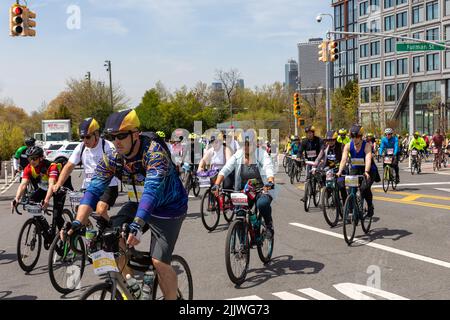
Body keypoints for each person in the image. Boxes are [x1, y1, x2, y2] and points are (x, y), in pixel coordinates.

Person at [64, 109, 188, 300]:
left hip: (168, 208)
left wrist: (137, 225)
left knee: (159, 262)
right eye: (112, 137)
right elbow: (94, 189)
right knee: (112, 239)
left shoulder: (155, 154)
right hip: (137, 203)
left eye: (121, 136)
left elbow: (151, 193)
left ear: (135, 134)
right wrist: (77, 222)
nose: (117, 141)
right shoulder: (114, 157)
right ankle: (131, 286)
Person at [52, 118, 119, 221]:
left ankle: (113, 233)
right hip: (88, 186)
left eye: (87, 137)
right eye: (82, 137)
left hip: (108, 185)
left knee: (100, 211)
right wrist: (58, 184)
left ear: (96, 134)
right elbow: (69, 166)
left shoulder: (107, 146)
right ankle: (90, 232)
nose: (85, 140)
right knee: (79, 211)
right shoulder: (81, 147)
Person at [212, 130, 275, 238]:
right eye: (243, 145)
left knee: (262, 204)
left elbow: (268, 167)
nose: (245, 147)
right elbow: (226, 169)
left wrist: (270, 181)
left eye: (248, 144)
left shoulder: (261, 154)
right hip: (243, 190)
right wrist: (217, 184)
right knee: (240, 214)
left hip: (261, 188)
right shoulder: (238, 155)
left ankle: (269, 224)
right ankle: (242, 247)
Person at [12, 146, 70, 229]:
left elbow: (51, 185)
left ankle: (65, 236)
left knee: (57, 216)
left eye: (34, 158)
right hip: (44, 188)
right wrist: (16, 198)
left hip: (57, 189)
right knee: (31, 201)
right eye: (29, 159)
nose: (32, 161)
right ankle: (45, 229)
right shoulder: (28, 168)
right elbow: (23, 184)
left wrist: (46, 200)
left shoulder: (51, 166)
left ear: (41, 158)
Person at [337, 124, 377, 217]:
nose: (354, 139)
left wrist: (366, 171)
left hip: (369, 170)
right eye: (352, 137)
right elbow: (344, 159)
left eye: (357, 137)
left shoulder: (366, 145)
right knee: (351, 189)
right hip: (355, 169)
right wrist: (339, 171)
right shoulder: (348, 145)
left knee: (364, 188)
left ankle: (370, 206)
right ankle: (351, 207)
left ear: (361, 137)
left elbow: (368, 159)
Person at [313, 130, 347, 202]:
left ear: (335, 140)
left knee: (341, 186)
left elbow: (345, 158)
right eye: (328, 140)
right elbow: (319, 157)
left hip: (340, 169)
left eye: (332, 140)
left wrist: (344, 165)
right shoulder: (325, 147)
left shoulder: (341, 146)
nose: (330, 142)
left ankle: (346, 205)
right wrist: (314, 167)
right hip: (329, 168)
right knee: (320, 175)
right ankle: (327, 191)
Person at [299, 126, 323, 202]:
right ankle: (305, 195)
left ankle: (321, 188)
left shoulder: (318, 140)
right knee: (307, 178)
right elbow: (300, 150)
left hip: (317, 161)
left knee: (318, 176)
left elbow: (322, 149)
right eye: (307, 133)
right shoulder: (304, 141)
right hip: (309, 162)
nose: (309, 134)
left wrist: (320, 159)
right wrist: (298, 156)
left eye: (310, 133)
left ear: (313, 133)